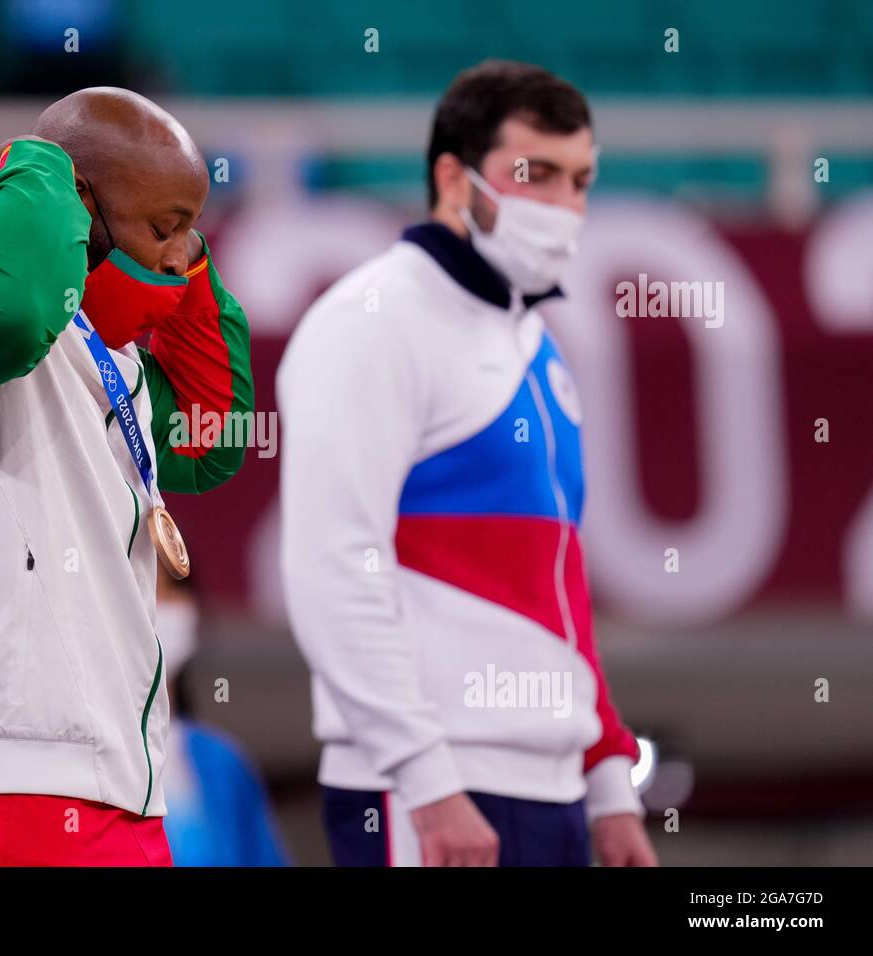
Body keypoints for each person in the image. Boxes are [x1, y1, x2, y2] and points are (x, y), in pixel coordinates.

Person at [0, 87, 253, 866]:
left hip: (118, 784)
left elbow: (214, 435)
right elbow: (11, 310)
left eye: (193, 233)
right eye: (166, 229)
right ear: (81, 213)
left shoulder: (117, 365)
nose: (181, 258)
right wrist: (35, 166)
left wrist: (183, 263)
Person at [277, 60, 658, 867]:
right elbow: (331, 566)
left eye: (581, 180)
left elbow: (558, 586)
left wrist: (607, 780)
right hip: (433, 792)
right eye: (536, 174)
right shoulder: (368, 322)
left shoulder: (537, 344)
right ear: (454, 176)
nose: (565, 206)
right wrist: (425, 780)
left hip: (553, 794)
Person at [156, 565, 289, 866]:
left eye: (169, 588)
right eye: (144, 586)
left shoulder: (222, 761)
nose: (157, 604)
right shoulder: (82, 763)